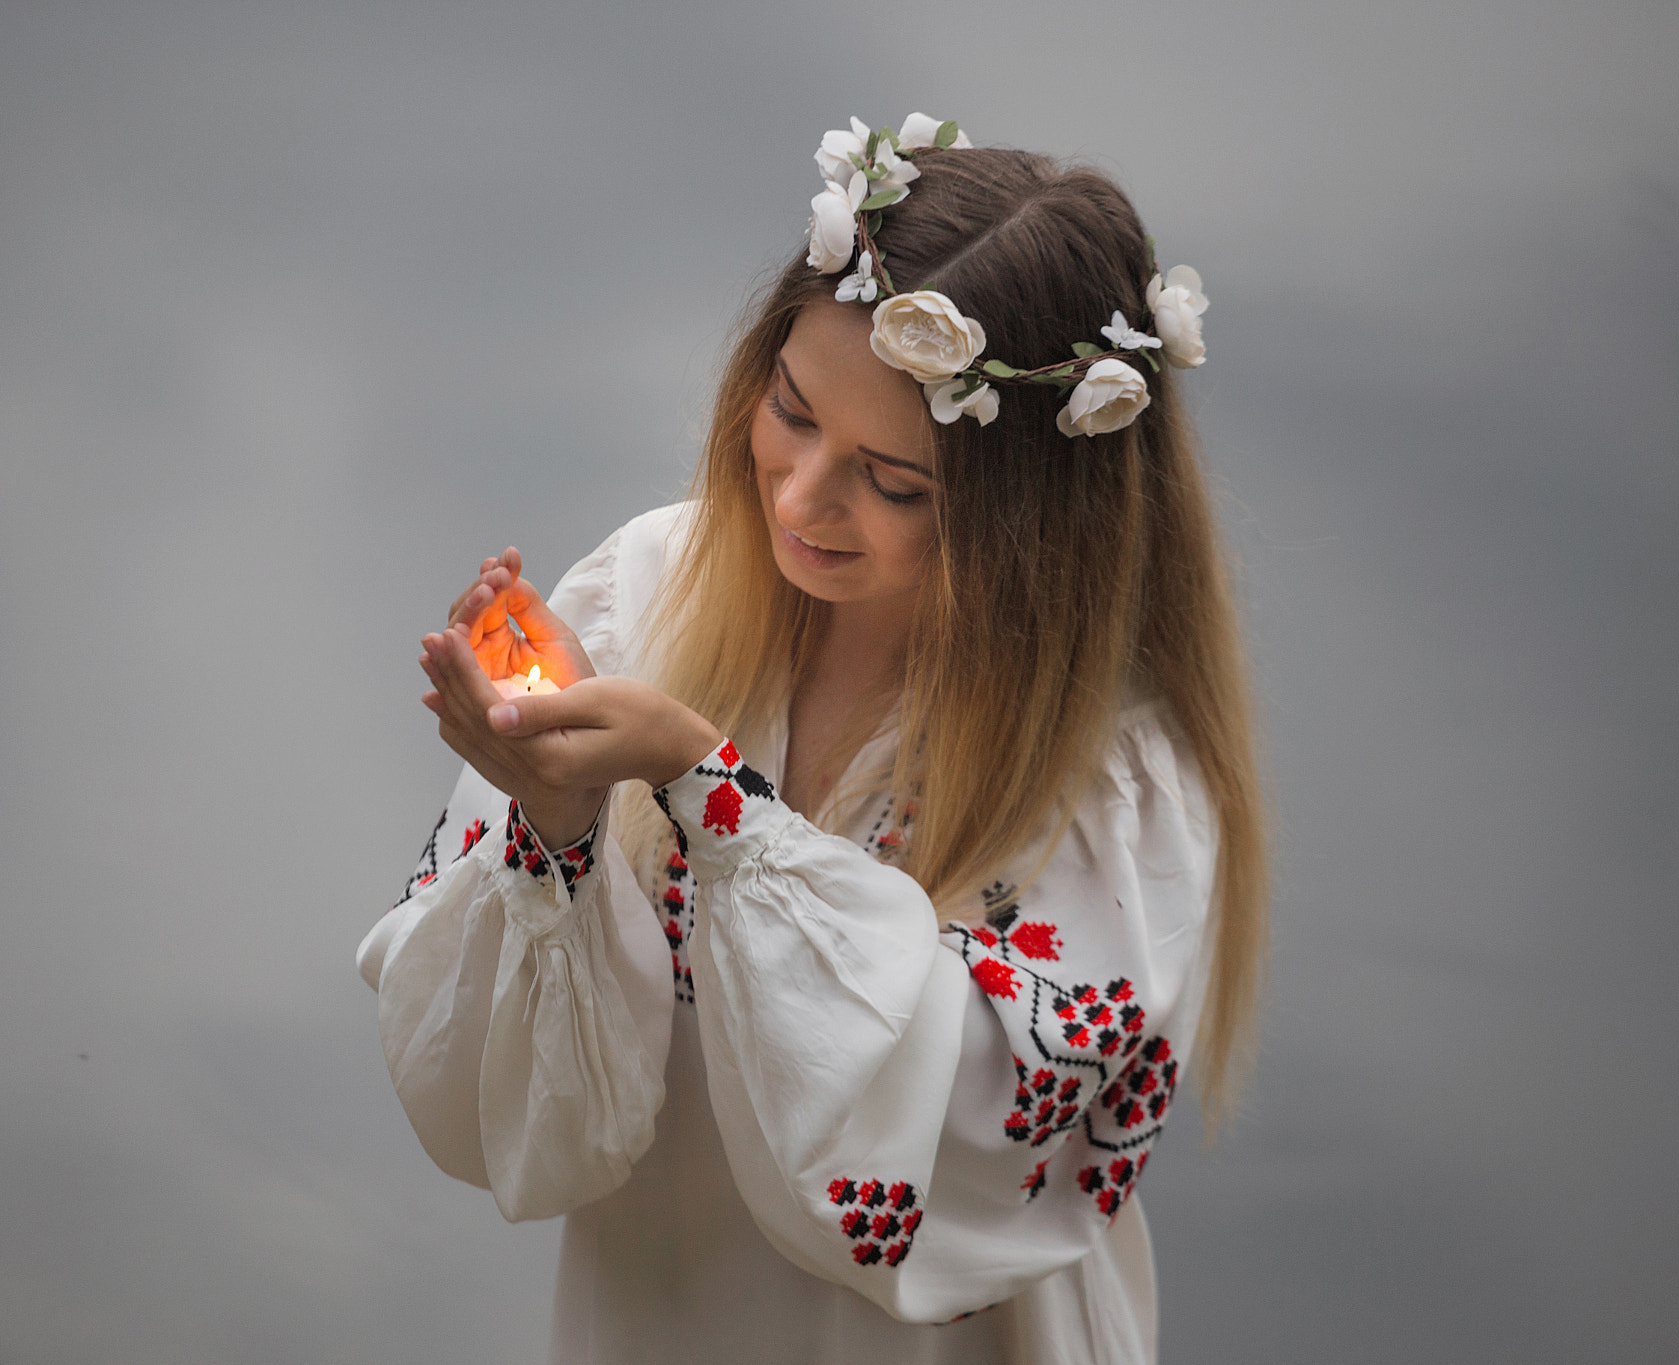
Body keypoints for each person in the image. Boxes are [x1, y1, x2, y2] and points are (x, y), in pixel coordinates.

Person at [360, 113, 1267, 1364]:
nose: (797, 499)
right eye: (788, 412)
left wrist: (699, 788)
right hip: (657, 1317)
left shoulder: (1108, 775)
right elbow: (505, 1115)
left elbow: (944, 1174)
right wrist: (554, 815)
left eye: (892, 483)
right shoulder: (648, 590)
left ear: (1030, 521)